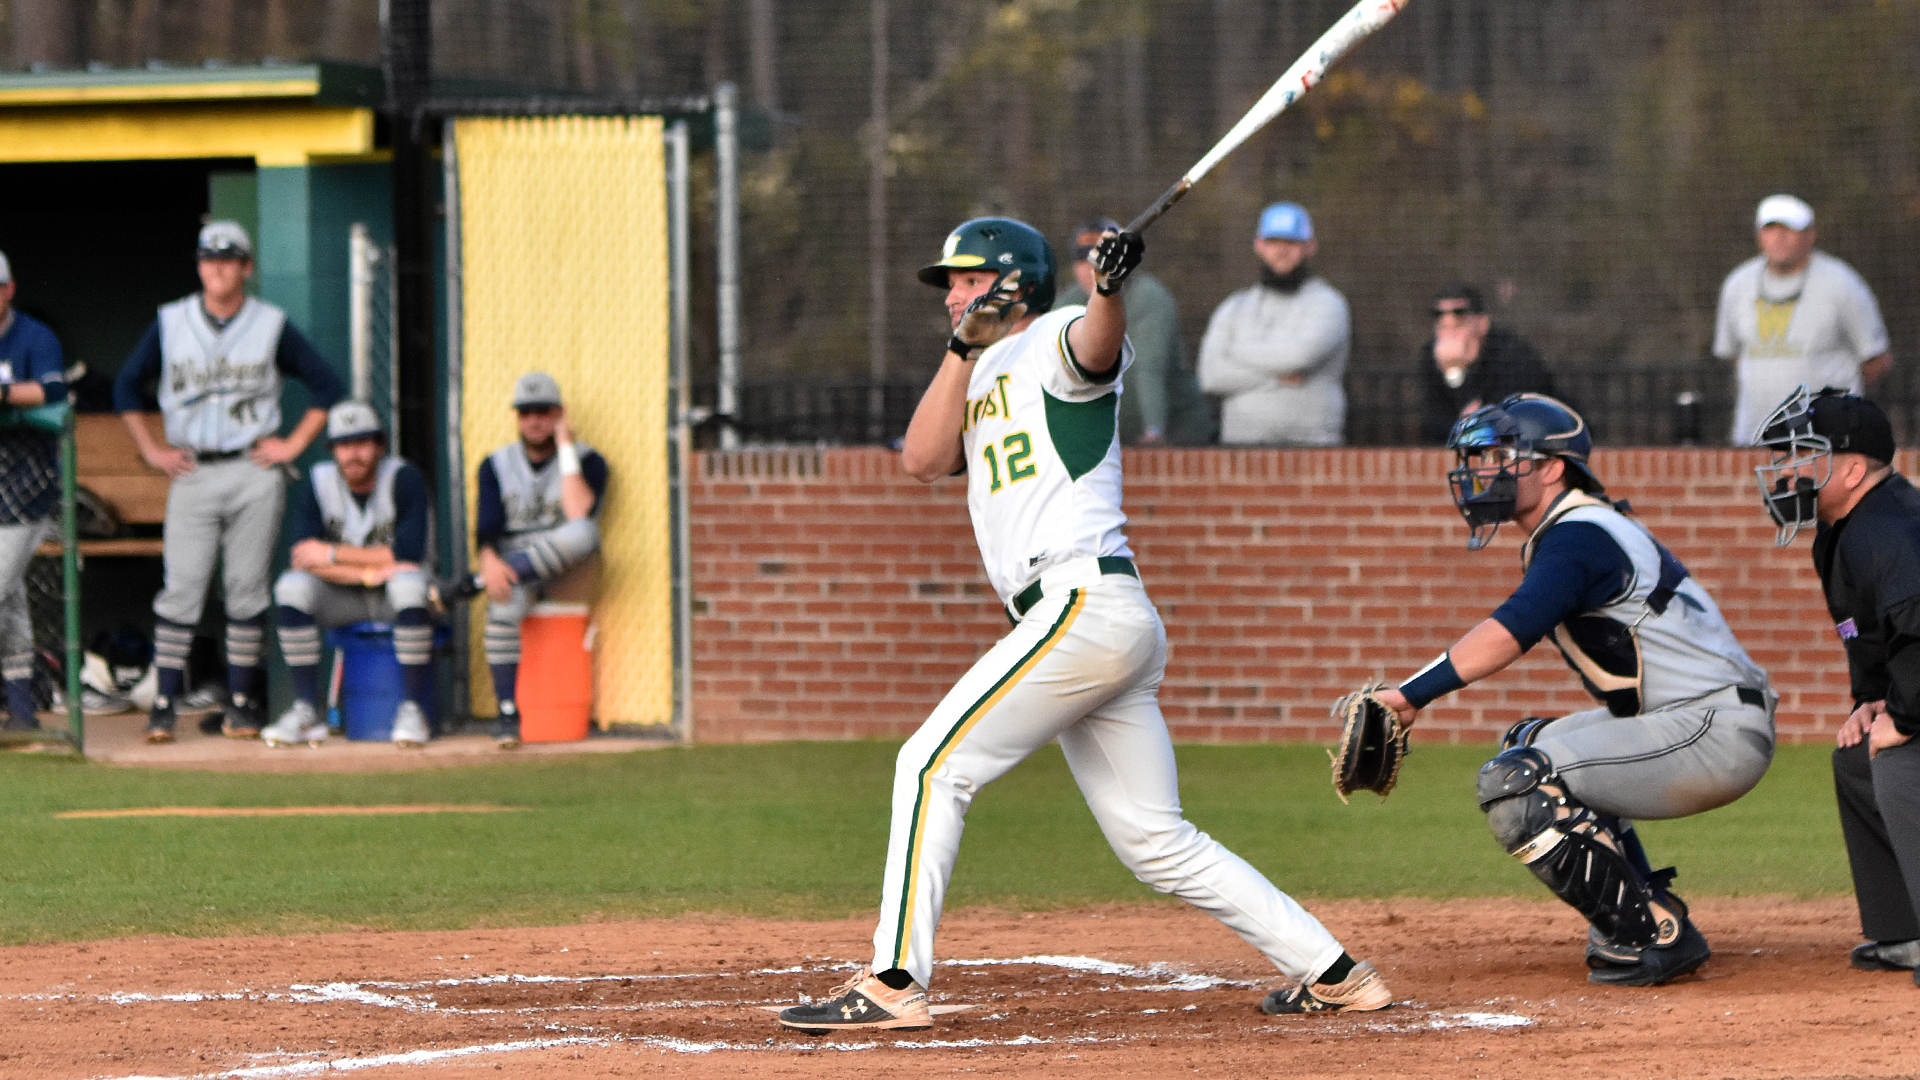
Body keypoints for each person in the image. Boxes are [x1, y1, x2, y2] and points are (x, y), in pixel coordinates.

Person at [776, 217, 1392, 1034]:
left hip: (1079, 601)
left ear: (1014, 285)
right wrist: (960, 349)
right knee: (1156, 841)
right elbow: (921, 460)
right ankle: (1336, 972)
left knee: (929, 766)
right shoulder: (975, 368)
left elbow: (1095, 349)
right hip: (1090, 619)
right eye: (951, 283)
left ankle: (893, 980)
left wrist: (1106, 288)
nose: (953, 294)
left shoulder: (1057, 332)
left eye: (968, 279)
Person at [1370, 393, 1774, 986]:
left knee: (1517, 780)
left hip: (1712, 729)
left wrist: (1408, 696)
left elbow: (1510, 631)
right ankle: (1648, 905)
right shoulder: (1579, 527)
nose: (1484, 472)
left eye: (1503, 456)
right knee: (1527, 743)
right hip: (1696, 720)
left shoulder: (1580, 534)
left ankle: (1651, 935)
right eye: (1481, 459)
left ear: (1553, 467)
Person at [112, 221, 345, 744]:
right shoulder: (171, 321)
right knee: (182, 589)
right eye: (209, 259)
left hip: (252, 469)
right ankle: (163, 706)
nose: (217, 267)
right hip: (193, 470)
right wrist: (151, 450)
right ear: (199, 266)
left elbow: (327, 386)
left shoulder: (270, 324)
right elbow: (126, 386)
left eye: (229, 259)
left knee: (246, 589)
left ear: (246, 267)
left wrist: (291, 445)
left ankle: (241, 705)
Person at [1751, 386, 1920, 983]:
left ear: (1851, 471)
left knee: (1899, 760)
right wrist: (1871, 701)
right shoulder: (1845, 529)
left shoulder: (1893, 530)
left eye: (1805, 456)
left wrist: (1905, 716)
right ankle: (1905, 931)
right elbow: (1871, 634)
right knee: (1857, 757)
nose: (1787, 471)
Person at [439, 373, 607, 749]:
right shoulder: (495, 464)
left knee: (585, 532)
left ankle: (473, 585)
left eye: (543, 412)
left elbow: (578, 511)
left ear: (559, 414)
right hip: (519, 576)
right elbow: (487, 532)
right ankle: (507, 715)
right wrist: (489, 564)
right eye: (525, 412)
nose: (533, 420)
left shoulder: (588, 460)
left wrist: (566, 447)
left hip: (569, 573)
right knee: (501, 608)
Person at [260, 402, 434, 749]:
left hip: (395, 598)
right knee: (291, 587)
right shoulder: (319, 480)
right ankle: (307, 711)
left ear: (379, 445)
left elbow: (407, 554)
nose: (352, 453)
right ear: (333, 449)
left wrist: (331, 554)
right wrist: (369, 573)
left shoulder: (404, 477)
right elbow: (302, 558)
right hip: (345, 597)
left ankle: (413, 709)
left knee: (409, 582)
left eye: (361, 442)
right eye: (343, 444)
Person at [1715, 194, 1892, 445]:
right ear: (1759, 235)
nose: (1778, 237)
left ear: (1810, 235)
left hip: (1828, 442)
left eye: (1789, 229)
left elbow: (1876, 359)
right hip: (1754, 437)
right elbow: (1734, 355)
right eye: (1770, 228)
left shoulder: (1842, 283)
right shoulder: (1737, 285)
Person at [1195, 202, 1350, 446]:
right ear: (1259, 246)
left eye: (1291, 242)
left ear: (1310, 246)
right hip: (1240, 448)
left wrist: (1234, 352)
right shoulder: (1234, 307)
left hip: (1313, 448)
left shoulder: (1328, 303)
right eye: (1273, 242)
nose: (1281, 251)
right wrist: (1277, 377)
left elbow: (1300, 356)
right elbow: (1210, 377)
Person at [1054, 218, 1212, 446]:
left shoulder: (1149, 297)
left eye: (1100, 260)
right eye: (1082, 260)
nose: (1090, 269)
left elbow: (1149, 366)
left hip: (1179, 436)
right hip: (1112, 435)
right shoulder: (1067, 303)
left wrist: (1154, 431)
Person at [0, 251, 67, 731]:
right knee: (10, 597)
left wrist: (4, 394)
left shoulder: (35, 336)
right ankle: (22, 711)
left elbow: (52, 391)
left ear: (8, 289)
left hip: (28, 483)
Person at [1418, 284, 1557, 445]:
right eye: (1443, 326)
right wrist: (1452, 372)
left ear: (1482, 323)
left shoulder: (1511, 352)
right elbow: (1434, 422)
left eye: (1459, 324)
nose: (1451, 332)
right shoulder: (1430, 357)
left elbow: (1515, 412)